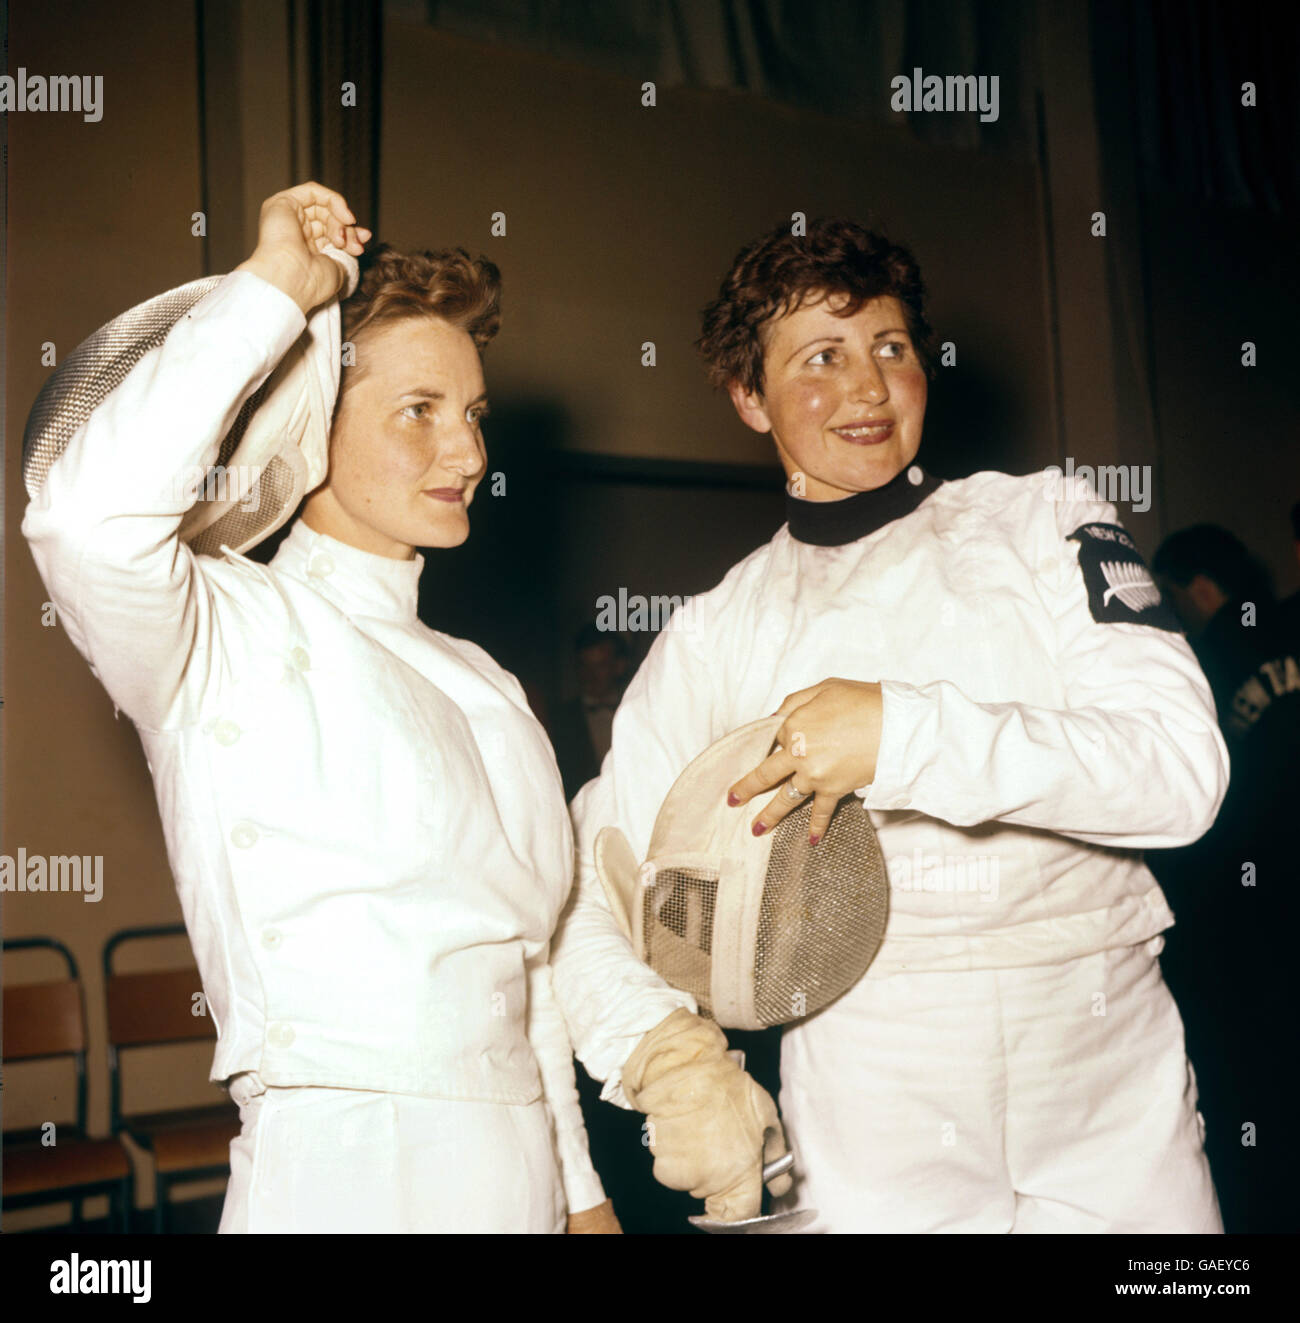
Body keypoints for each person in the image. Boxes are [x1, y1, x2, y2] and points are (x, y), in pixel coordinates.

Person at [23, 182, 782, 1233]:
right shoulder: (222, 625)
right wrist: (278, 291)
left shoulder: (485, 679)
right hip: (343, 1173)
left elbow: (526, 969)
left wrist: (580, 1193)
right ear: (305, 427)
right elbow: (80, 519)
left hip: (518, 1165)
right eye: (416, 412)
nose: (468, 453)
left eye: (471, 415)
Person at [549, 217, 1231, 1233]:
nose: (867, 388)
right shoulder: (715, 633)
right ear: (747, 396)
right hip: (871, 1076)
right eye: (821, 357)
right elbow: (593, 879)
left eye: (891, 348)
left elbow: (1182, 774)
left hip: (1104, 1054)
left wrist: (900, 737)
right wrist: (665, 1057)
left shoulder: (1042, 522)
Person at [1150, 525, 1300, 1231]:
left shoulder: (1196, 665)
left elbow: (1185, 821)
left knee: (1251, 1105)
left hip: (1244, 934)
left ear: (1191, 586)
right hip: (1265, 919)